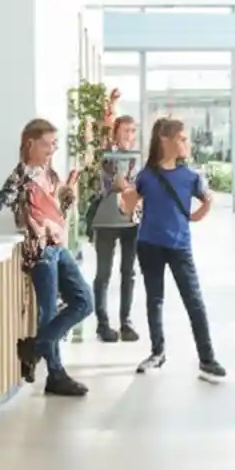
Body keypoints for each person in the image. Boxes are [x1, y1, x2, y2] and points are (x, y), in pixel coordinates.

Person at [0, 119, 93, 397]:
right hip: (39, 252)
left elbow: (60, 207)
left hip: (57, 247)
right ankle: (56, 374)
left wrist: (69, 193)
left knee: (85, 301)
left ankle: (35, 346)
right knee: (48, 313)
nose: (52, 149)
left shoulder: (49, 173)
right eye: (47, 144)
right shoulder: (21, 178)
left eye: (54, 144)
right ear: (30, 143)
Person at [119, 118, 226, 383]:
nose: (186, 143)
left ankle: (207, 359)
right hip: (149, 244)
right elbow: (127, 210)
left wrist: (207, 206)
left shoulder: (191, 177)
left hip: (179, 246)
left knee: (194, 301)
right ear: (165, 140)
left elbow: (196, 215)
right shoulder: (145, 177)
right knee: (154, 300)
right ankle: (157, 352)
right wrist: (127, 200)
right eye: (182, 138)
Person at [90, 114, 141, 344]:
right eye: (125, 130)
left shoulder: (136, 159)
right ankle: (103, 324)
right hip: (106, 220)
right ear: (116, 131)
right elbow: (119, 183)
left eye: (132, 131)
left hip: (131, 221)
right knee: (103, 274)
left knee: (128, 273)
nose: (129, 135)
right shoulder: (107, 156)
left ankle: (126, 322)